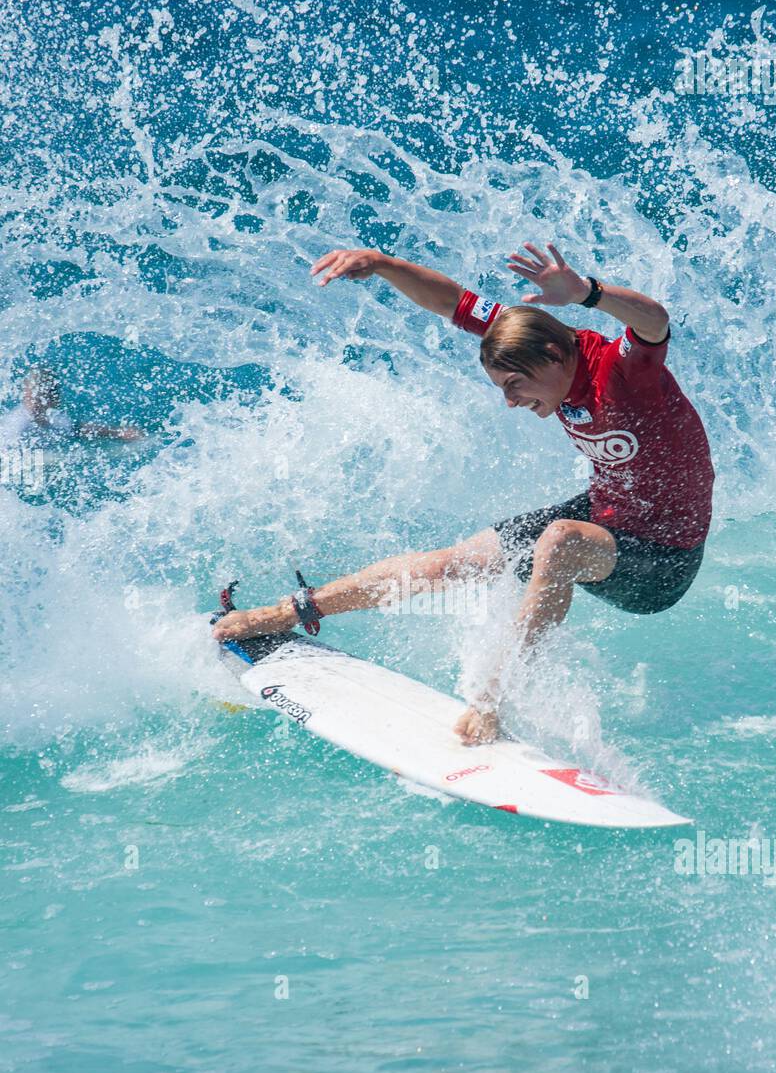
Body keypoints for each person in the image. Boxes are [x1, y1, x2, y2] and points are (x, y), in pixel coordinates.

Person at [213, 242, 715, 745]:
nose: (511, 401)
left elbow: (653, 322)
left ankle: (495, 700)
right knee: (453, 562)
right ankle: (288, 612)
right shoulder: (527, 340)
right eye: (501, 387)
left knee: (558, 541)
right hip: (606, 517)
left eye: (516, 385)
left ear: (555, 356)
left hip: (662, 560)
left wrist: (586, 293)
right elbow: (454, 301)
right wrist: (384, 264)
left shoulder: (621, 371)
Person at [0, 366, 142, 444]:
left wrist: (118, 432)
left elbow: (78, 429)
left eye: (44, 394)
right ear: (25, 395)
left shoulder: (52, 419)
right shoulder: (15, 425)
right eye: (34, 395)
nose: (37, 401)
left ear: (54, 399)